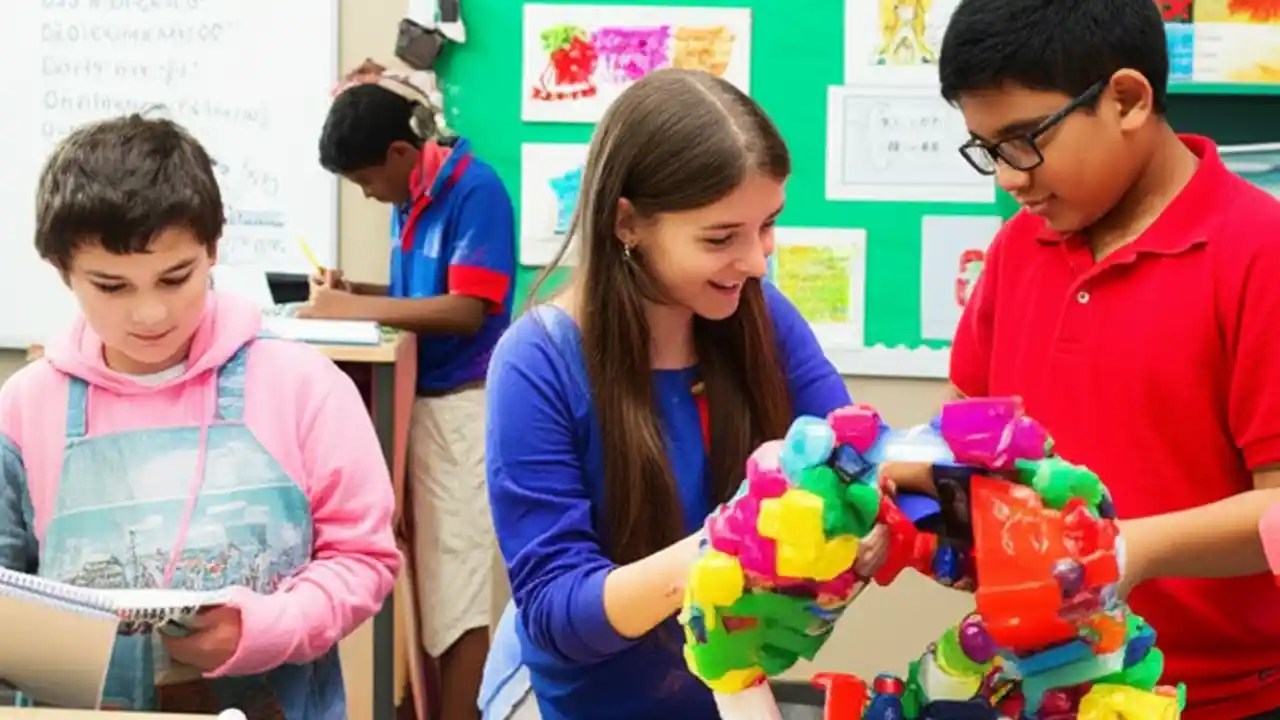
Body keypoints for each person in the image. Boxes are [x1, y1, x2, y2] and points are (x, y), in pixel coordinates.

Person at [938, 1, 1280, 717]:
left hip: (1215, 697)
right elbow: (971, 434)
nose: (1008, 178)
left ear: (1126, 99)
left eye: (1022, 141)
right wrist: (927, 507)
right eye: (987, 149)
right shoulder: (1018, 248)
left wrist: (1127, 550)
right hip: (1037, 684)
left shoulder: (1260, 252)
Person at [482, 68, 854, 720]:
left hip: (716, 694)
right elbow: (557, 611)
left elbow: (850, 452)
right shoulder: (537, 363)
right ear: (627, 222)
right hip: (575, 705)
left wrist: (876, 513)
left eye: (768, 224)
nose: (757, 261)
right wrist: (729, 545)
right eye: (721, 238)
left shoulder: (763, 318)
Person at [0, 114, 400, 716]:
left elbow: (362, 559)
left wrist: (268, 627)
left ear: (213, 249)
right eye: (111, 286)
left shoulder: (304, 387)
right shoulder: (25, 406)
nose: (150, 313)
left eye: (175, 277)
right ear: (63, 272)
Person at [314, 67, 516, 720]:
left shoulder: (474, 190)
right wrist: (355, 295)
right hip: (418, 404)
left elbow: (466, 309)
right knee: (429, 588)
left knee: (458, 592)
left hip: (461, 408)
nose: (369, 195)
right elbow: (415, 300)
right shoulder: (413, 196)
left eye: (366, 181)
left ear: (401, 153)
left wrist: (350, 310)